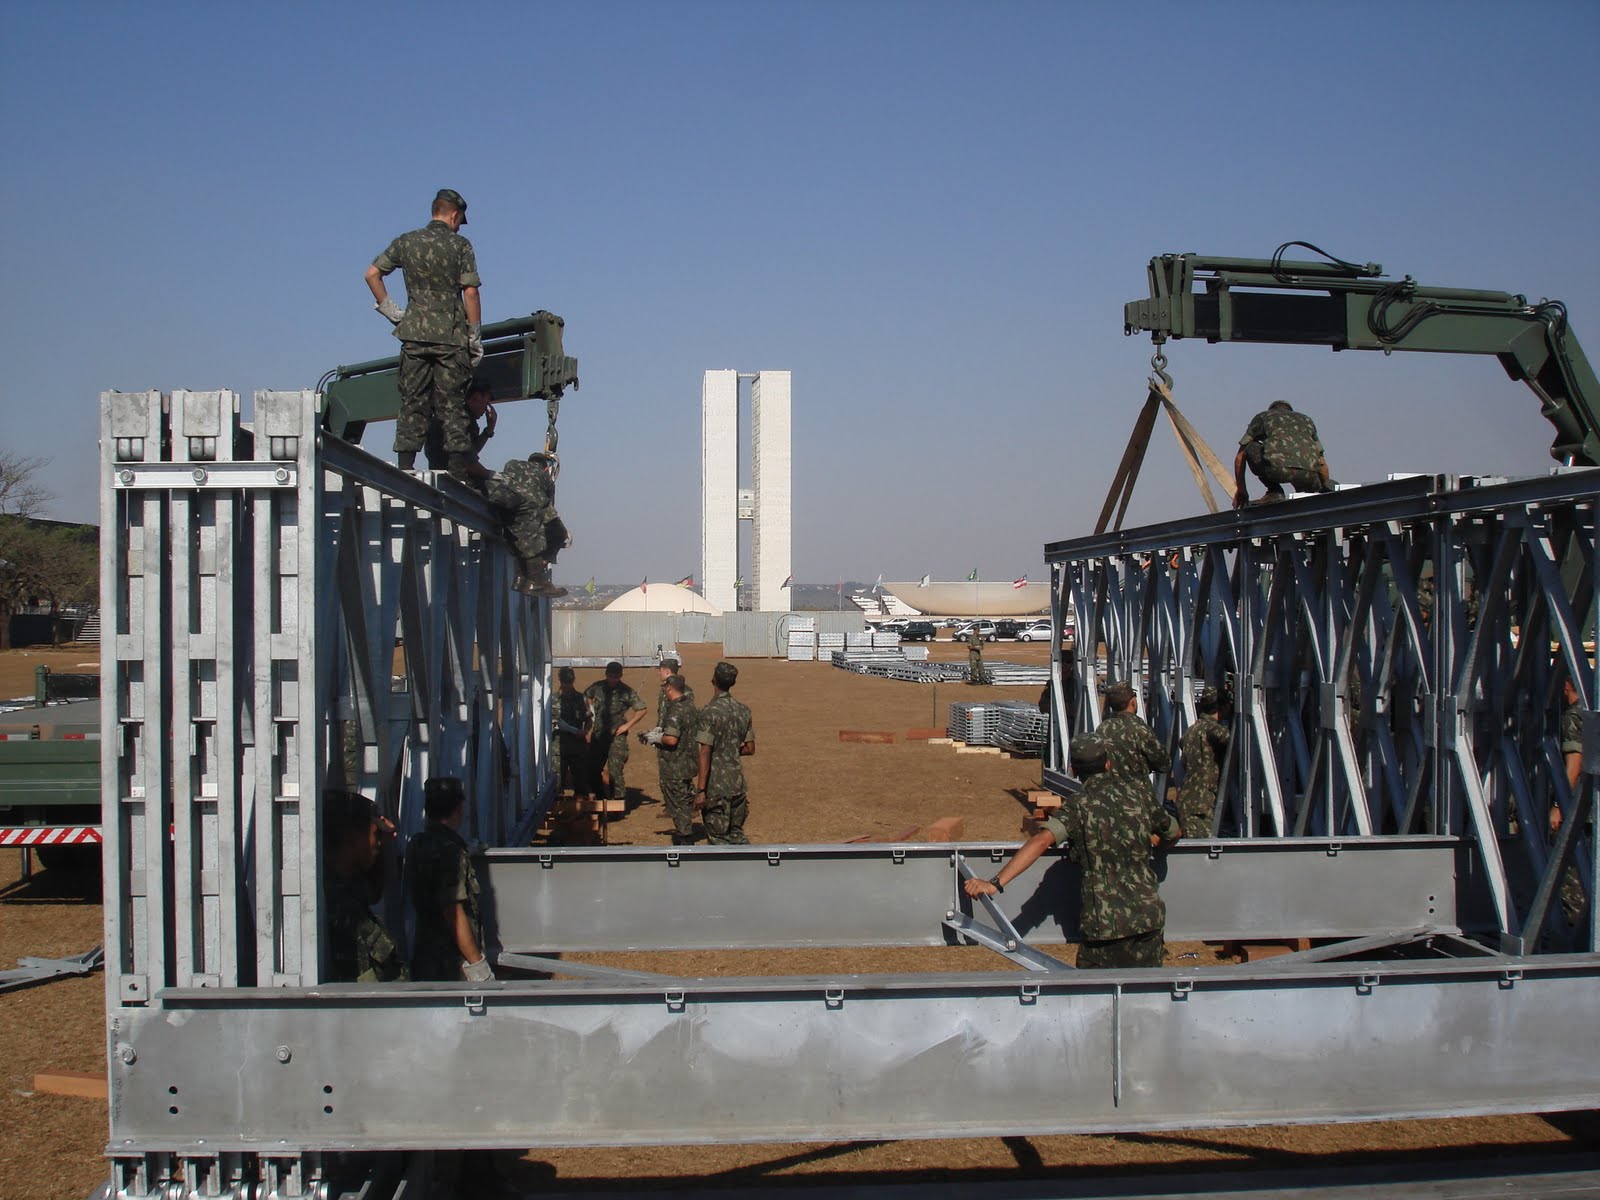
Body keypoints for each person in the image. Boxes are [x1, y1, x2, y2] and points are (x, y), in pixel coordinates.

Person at [963, 734, 1180, 968]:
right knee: (1148, 997)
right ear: (1108, 764)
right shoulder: (1139, 796)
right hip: (1148, 920)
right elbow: (1174, 833)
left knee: (1091, 998)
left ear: (1074, 770)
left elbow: (1041, 841)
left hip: (1105, 928)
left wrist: (994, 883)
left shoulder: (1079, 805)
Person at [364, 188, 484, 480]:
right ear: (454, 215)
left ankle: (406, 467)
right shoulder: (461, 246)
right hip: (451, 339)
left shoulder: (406, 241)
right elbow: (470, 291)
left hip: (414, 336)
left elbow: (371, 274)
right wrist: (474, 335)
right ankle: (457, 474)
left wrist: (393, 313)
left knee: (413, 401)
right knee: (451, 404)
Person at [405, 777, 492, 982]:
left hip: (425, 957)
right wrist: (476, 964)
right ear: (458, 808)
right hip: (450, 965)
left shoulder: (417, 844)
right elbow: (452, 912)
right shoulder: (450, 853)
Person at [323, 789, 407, 983]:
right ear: (353, 836)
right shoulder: (338, 908)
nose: (380, 843)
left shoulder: (350, 885)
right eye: (376, 834)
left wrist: (382, 841)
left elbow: (374, 892)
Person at [485, 450, 569, 596]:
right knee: (557, 536)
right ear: (544, 467)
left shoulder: (512, 464)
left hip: (504, 504)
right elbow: (549, 507)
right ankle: (537, 577)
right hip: (529, 510)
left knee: (517, 540)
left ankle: (520, 578)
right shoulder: (546, 478)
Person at [695, 660, 756, 844]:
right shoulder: (743, 710)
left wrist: (700, 790)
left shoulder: (709, 712)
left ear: (713, 680)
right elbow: (750, 748)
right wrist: (730, 751)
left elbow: (705, 752)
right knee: (736, 834)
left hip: (716, 787)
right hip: (737, 785)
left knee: (718, 838)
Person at [1233, 400, 1332, 507]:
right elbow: (1322, 463)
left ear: (1271, 410)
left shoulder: (1263, 417)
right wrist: (1326, 487)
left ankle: (1274, 491)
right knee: (1308, 491)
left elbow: (1240, 457)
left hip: (1277, 470)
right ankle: (1312, 491)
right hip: (1309, 475)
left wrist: (1242, 491)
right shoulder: (1306, 420)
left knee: (1250, 446)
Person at [1550, 675, 1590, 928]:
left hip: (1584, 810)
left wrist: (1559, 804)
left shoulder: (1574, 716)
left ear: (1566, 684)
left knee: (1573, 874)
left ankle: (1576, 933)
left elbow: (1574, 762)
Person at [584, 662, 647, 802]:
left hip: (616, 736)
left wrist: (627, 726)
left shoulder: (626, 691)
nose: (612, 679)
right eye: (610, 676)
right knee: (592, 768)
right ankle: (600, 798)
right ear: (606, 674)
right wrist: (591, 711)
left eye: (616, 676)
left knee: (614, 770)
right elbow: (587, 695)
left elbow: (642, 709)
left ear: (620, 676)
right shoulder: (598, 687)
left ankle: (618, 801)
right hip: (599, 735)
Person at [653, 674, 700, 845]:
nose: (664, 691)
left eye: (665, 688)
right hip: (689, 762)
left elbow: (671, 739)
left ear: (670, 688)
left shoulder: (674, 711)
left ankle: (685, 838)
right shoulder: (690, 706)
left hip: (674, 765)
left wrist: (656, 738)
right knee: (686, 797)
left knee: (677, 803)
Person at [1177, 687, 1230, 837]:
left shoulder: (1191, 730)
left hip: (1189, 801)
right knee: (1201, 856)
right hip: (1200, 805)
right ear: (1222, 706)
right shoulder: (1212, 729)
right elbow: (1233, 741)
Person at [1097, 680, 1168, 789]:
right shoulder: (1140, 729)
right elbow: (1163, 764)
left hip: (1110, 795)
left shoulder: (1103, 728)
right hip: (1137, 797)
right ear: (1133, 702)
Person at [423, 376, 497, 472]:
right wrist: (490, 475)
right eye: (486, 403)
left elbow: (471, 452)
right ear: (477, 397)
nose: (486, 408)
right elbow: (468, 461)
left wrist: (489, 429)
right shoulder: (459, 419)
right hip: (454, 476)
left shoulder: (466, 418)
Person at [554, 666, 590, 799]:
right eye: (564, 682)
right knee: (556, 782)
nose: (567, 685)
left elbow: (589, 719)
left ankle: (582, 812)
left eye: (569, 682)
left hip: (577, 746)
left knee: (581, 782)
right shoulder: (552, 700)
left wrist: (585, 731)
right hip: (558, 748)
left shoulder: (581, 699)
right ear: (560, 680)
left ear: (573, 680)